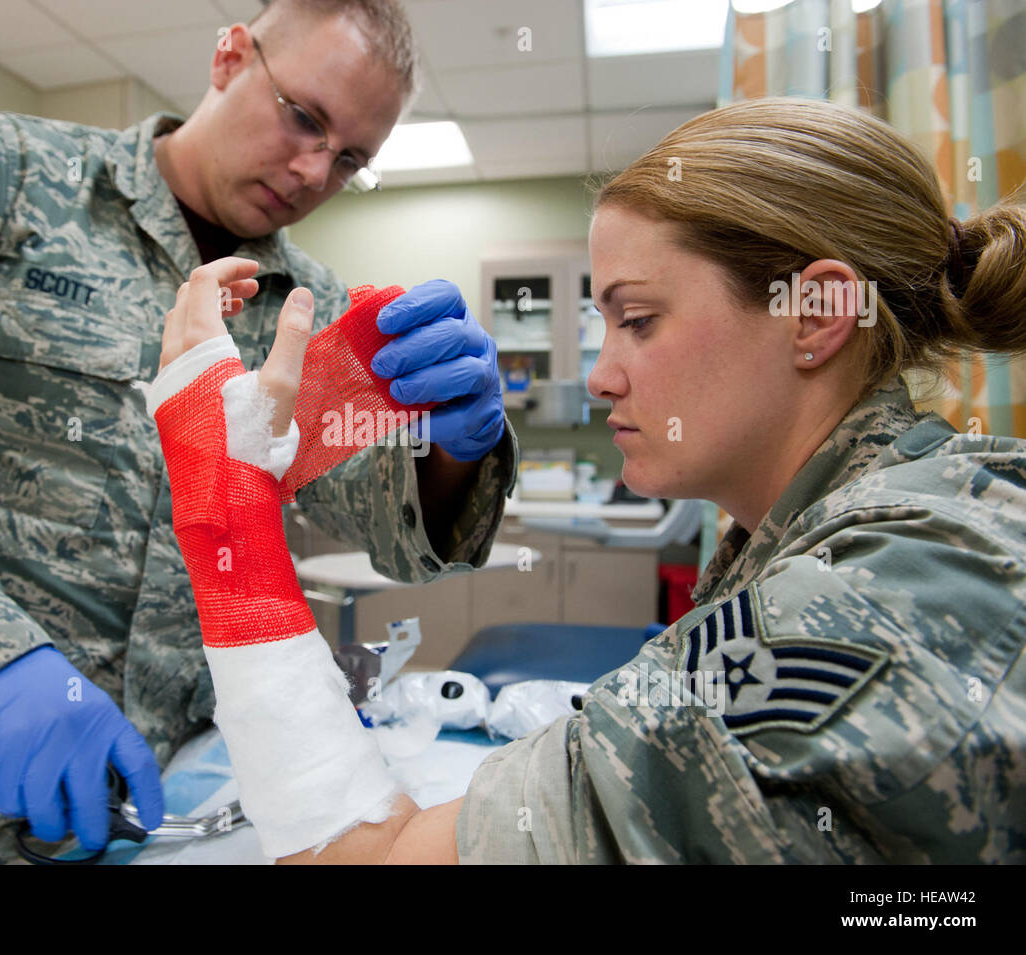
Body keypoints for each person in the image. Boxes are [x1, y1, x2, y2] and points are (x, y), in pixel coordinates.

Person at [0, 0, 515, 864]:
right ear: (229, 56)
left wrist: (450, 451)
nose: (313, 170)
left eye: (350, 159)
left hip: (147, 819)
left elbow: (383, 517)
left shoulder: (303, 310)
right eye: (305, 119)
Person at [152, 96, 1026, 864]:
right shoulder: (860, 527)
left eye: (639, 320)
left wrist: (221, 503)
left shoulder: (858, 598)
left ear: (820, 313)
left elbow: (352, 859)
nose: (602, 376)